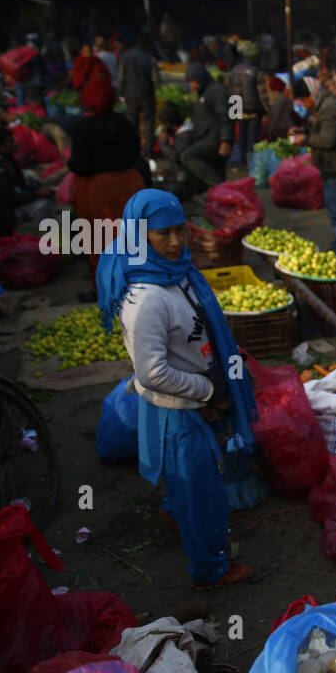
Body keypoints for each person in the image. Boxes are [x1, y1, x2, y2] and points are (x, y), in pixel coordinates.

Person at [97, 189, 260, 589]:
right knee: (200, 494)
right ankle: (209, 569)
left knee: (187, 484)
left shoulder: (177, 273)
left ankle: (176, 512)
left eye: (179, 232)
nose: (173, 243)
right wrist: (208, 392)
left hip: (193, 399)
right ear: (139, 236)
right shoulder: (145, 298)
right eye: (161, 234)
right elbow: (152, 373)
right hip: (178, 410)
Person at [68, 75, 147, 282]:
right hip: (129, 185)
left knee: (99, 240)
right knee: (133, 235)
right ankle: (138, 280)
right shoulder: (124, 123)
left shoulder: (83, 129)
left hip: (97, 191)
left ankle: (107, 285)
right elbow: (136, 152)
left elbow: (79, 165)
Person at [291, 77, 336, 265]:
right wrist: (304, 129)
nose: (305, 104)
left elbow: (328, 140)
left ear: (312, 95)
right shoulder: (326, 106)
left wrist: (305, 139)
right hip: (333, 167)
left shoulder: (329, 108)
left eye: (305, 100)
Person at [164, 63, 232, 196]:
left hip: (214, 137)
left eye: (192, 81)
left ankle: (220, 188)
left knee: (188, 156)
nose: (191, 85)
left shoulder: (216, 91)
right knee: (215, 168)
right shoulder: (204, 92)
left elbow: (226, 116)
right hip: (205, 135)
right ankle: (221, 195)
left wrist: (226, 140)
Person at [0, 127, 57, 238]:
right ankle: (47, 241)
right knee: (41, 205)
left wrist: (38, 190)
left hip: (9, 206)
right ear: (0, 146)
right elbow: (8, 197)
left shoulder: (7, 159)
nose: (15, 144)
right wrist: (36, 194)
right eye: (11, 141)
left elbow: (21, 185)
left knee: (49, 196)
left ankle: (56, 237)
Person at [119, 32, 160, 159]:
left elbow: (121, 78)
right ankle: (148, 152)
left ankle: (132, 150)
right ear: (148, 45)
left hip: (130, 95)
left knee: (132, 123)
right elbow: (156, 79)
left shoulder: (125, 56)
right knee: (148, 122)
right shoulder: (150, 58)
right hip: (146, 95)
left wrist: (120, 93)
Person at [225, 48, 266, 165]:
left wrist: (231, 111)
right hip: (253, 108)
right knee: (252, 138)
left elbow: (230, 90)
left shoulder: (234, 70)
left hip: (237, 107)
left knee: (240, 136)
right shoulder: (257, 71)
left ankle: (240, 161)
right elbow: (262, 94)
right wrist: (267, 110)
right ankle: (250, 163)